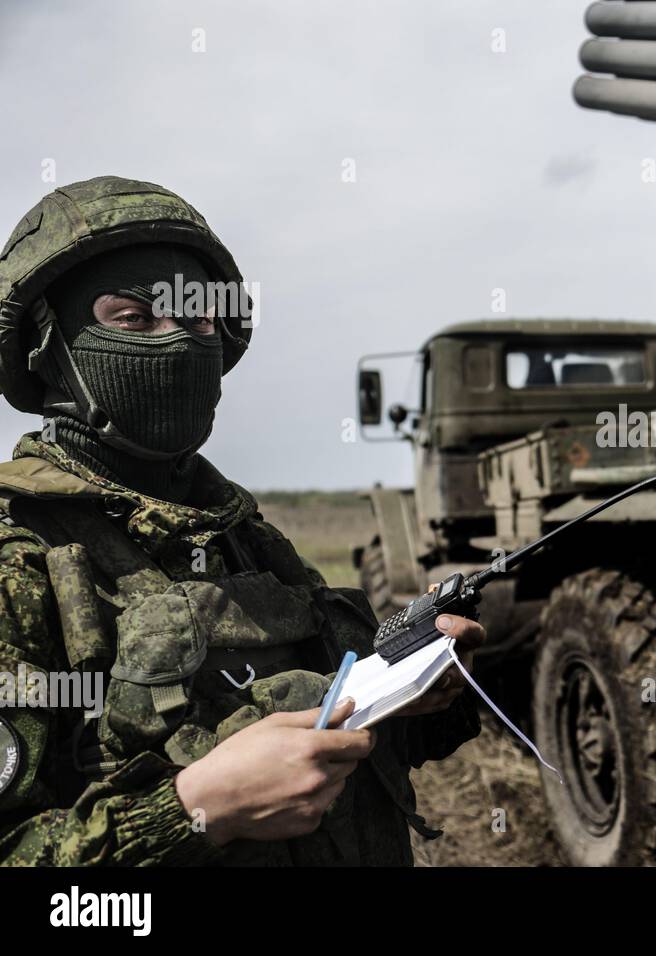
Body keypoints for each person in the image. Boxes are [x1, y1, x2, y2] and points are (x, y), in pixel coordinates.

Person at [0, 176, 483, 865]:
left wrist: (411, 694)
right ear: (46, 347)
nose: (178, 342)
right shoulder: (21, 556)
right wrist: (194, 811)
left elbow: (345, 749)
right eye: (133, 319)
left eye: (198, 320)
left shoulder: (243, 537)